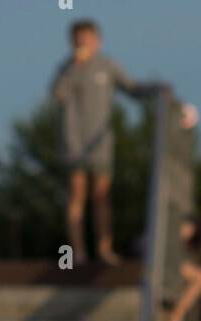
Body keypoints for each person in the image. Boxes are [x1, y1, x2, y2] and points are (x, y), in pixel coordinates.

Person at [49, 20, 158, 265]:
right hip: (73, 142)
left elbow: (132, 89)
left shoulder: (108, 66)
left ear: (98, 41)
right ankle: (77, 252)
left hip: (101, 143)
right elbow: (57, 94)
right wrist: (72, 68)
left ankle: (104, 249)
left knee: (102, 195)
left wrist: (156, 89)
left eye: (87, 38)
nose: (83, 43)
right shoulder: (66, 68)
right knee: (77, 193)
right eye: (78, 40)